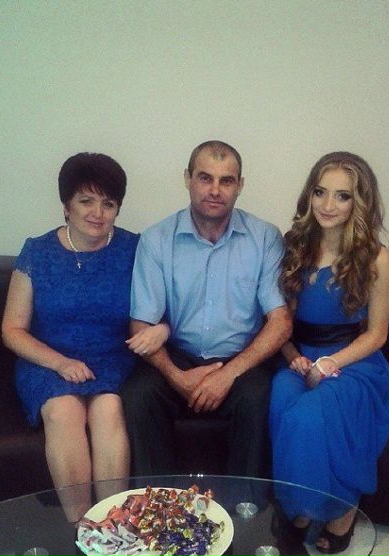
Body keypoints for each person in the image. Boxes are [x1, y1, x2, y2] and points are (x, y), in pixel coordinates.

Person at [2, 152, 168, 521]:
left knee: (109, 409)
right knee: (63, 411)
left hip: (112, 360)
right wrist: (61, 363)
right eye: (86, 201)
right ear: (67, 205)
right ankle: (81, 526)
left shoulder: (136, 249)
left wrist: (162, 329)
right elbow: (12, 330)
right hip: (49, 361)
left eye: (108, 203)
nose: (97, 213)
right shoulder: (37, 252)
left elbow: (168, 308)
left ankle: (113, 526)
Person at [122, 140, 292, 477]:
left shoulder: (265, 238)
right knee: (138, 396)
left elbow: (281, 322)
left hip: (241, 360)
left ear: (240, 185)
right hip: (177, 356)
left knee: (259, 396)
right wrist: (178, 378)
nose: (215, 190)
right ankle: (160, 502)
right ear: (187, 178)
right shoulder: (156, 239)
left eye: (226, 180)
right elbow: (141, 326)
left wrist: (227, 375)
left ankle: (244, 505)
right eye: (205, 178)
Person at [269, 152, 389, 554]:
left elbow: (377, 334)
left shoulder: (376, 257)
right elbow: (279, 321)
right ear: (309, 194)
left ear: (360, 202)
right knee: (282, 402)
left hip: (352, 361)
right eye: (320, 192)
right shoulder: (294, 246)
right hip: (300, 357)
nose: (327, 205)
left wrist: (330, 364)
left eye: (342, 196)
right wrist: (292, 355)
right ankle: (301, 509)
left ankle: (339, 511)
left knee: (310, 416)